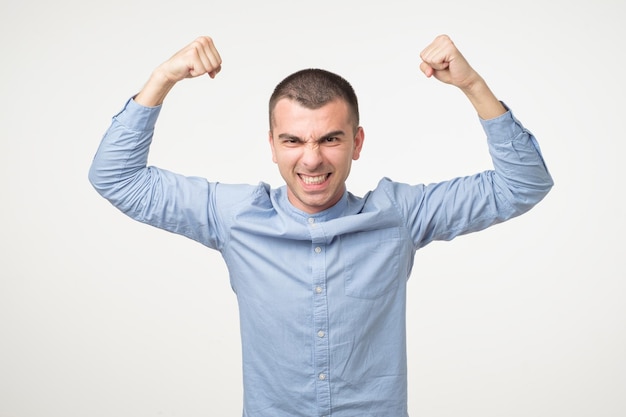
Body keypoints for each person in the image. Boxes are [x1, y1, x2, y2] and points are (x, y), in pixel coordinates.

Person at [89, 34, 553, 417]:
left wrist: (472, 84)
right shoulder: (235, 218)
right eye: (292, 140)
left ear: (357, 142)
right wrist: (163, 78)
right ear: (272, 145)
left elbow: (523, 185)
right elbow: (115, 177)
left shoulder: (399, 217)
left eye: (330, 138)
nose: (311, 158)